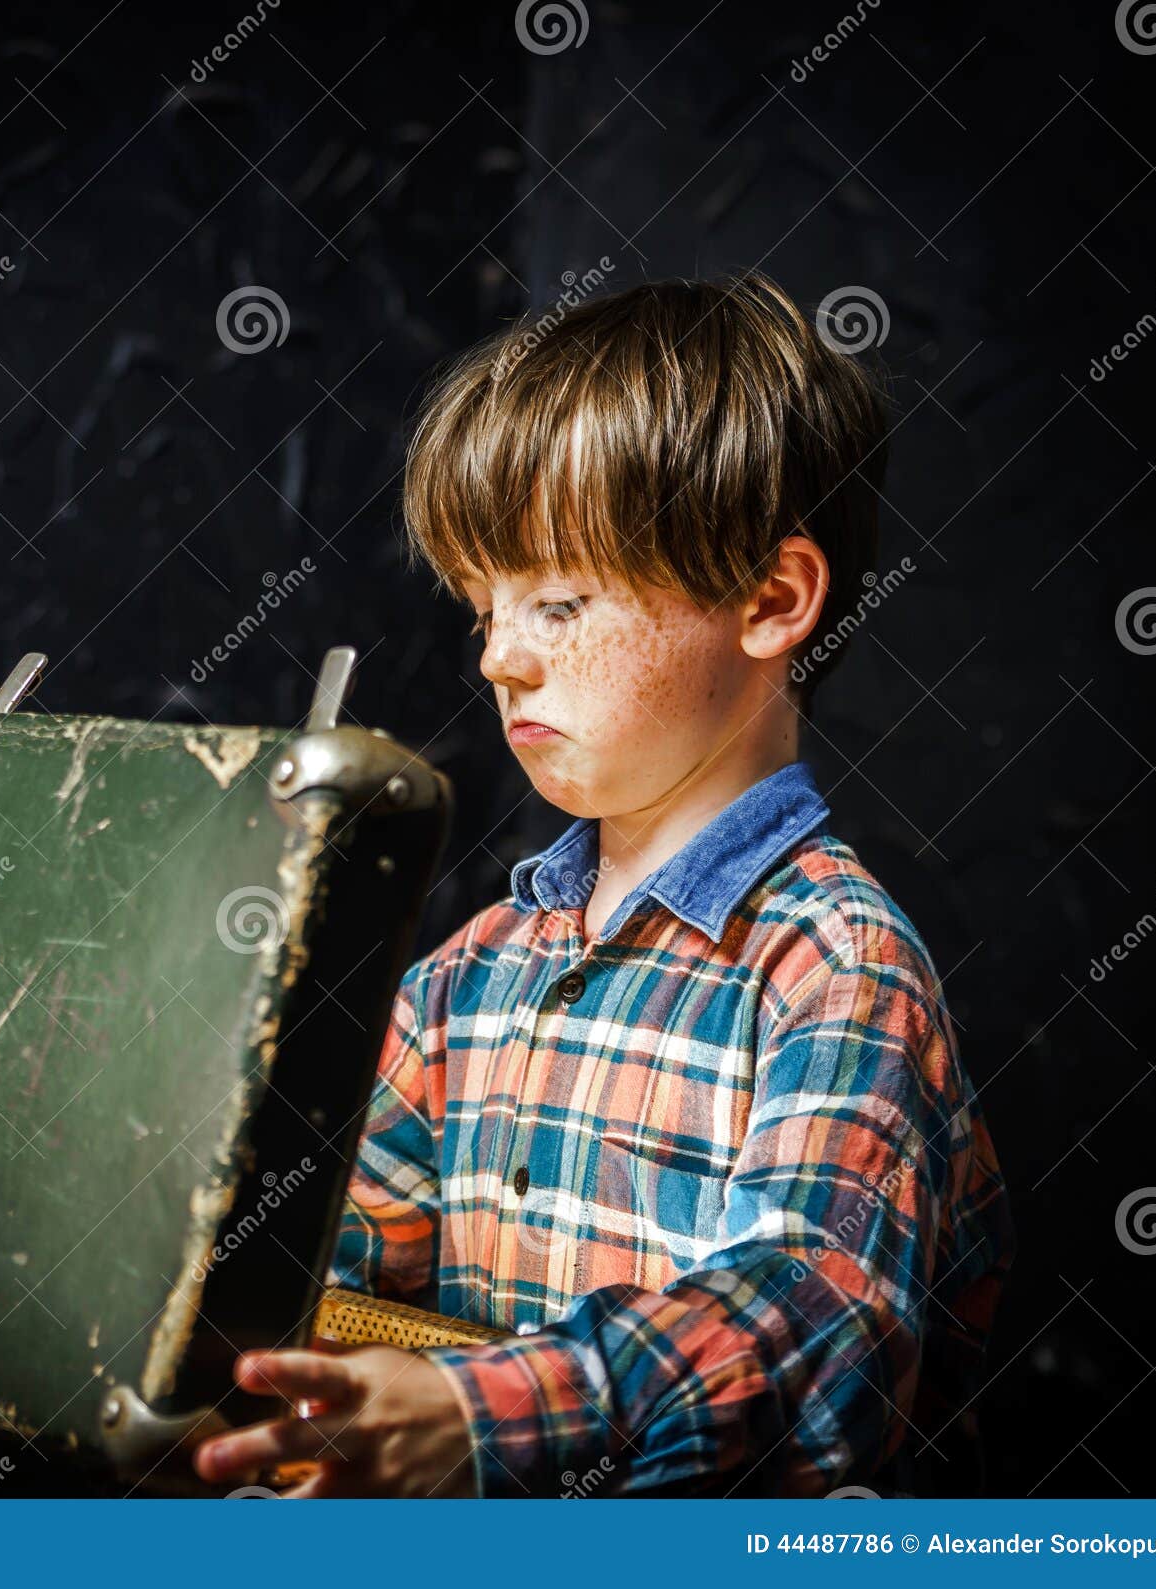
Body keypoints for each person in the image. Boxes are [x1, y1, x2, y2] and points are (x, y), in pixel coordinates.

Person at [186, 271, 1016, 1498]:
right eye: (484, 607)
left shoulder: (836, 965)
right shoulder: (472, 974)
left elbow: (808, 1329)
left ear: (770, 599)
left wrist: (478, 1413)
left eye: (559, 601)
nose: (499, 658)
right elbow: (327, 1258)